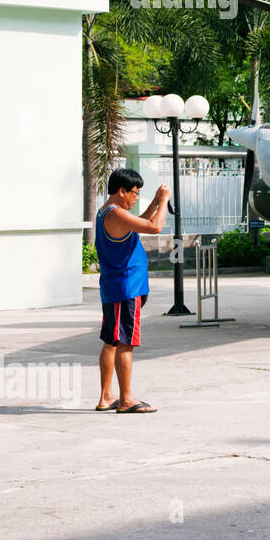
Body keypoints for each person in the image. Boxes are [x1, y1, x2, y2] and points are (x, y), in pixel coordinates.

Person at [95, 168, 168, 414]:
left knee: (111, 342)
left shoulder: (108, 211)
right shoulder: (115, 214)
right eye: (134, 193)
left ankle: (106, 396)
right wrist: (165, 201)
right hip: (125, 289)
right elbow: (154, 227)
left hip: (115, 287)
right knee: (125, 343)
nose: (136, 198)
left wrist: (156, 203)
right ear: (121, 191)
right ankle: (126, 399)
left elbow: (139, 225)